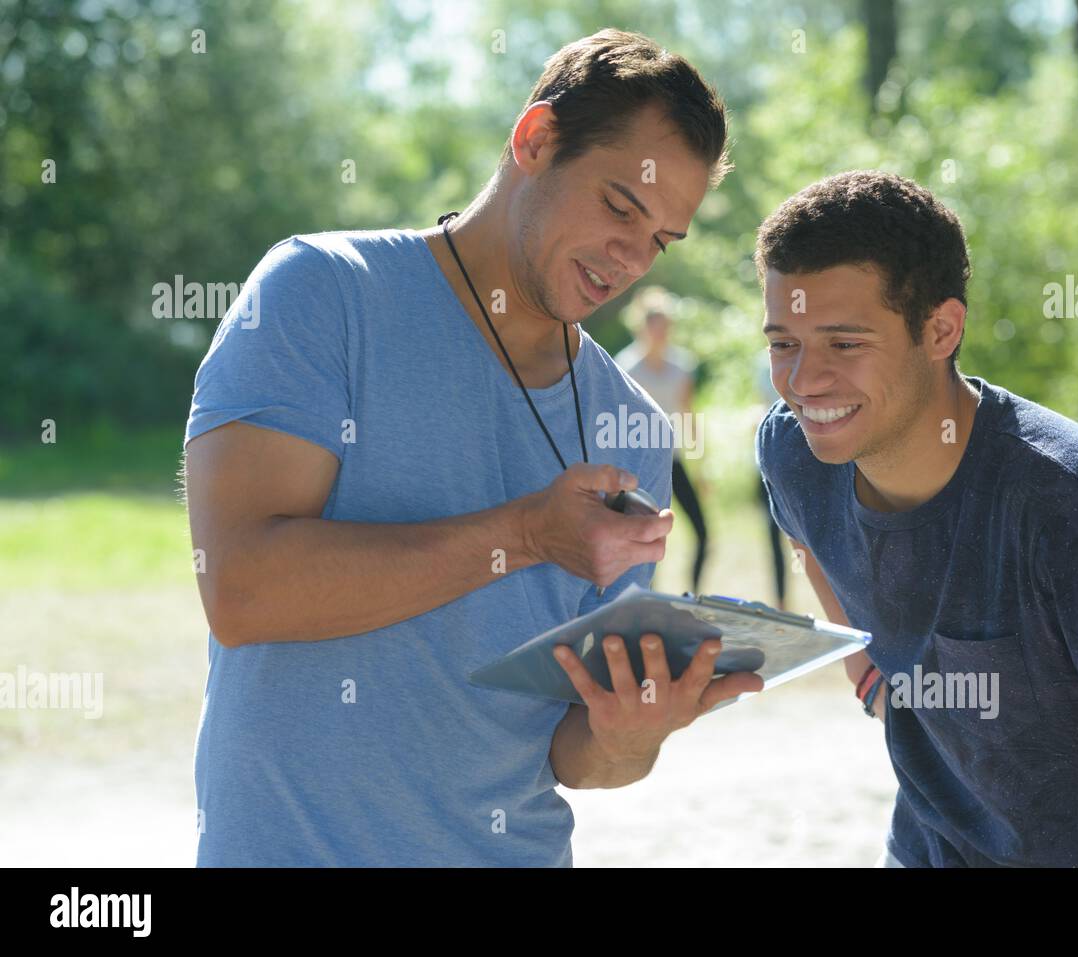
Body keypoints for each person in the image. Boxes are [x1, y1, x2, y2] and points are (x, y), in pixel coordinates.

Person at [183, 29, 761, 867]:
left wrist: (632, 733)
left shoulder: (631, 422)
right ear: (535, 140)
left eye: (662, 238)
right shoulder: (321, 293)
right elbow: (241, 589)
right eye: (620, 206)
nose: (632, 258)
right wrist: (523, 535)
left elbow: (573, 753)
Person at [754, 170, 1078, 867]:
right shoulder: (793, 452)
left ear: (940, 328)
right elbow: (808, 535)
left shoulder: (1067, 501)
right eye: (784, 343)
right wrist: (870, 670)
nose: (802, 380)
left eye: (844, 344)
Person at [614, 287, 709, 592]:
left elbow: (688, 415)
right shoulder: (625, 367)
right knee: (645, 540)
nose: (661, 331)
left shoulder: (682, 366)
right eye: (654, 324)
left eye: (665, 325)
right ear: (642, 326)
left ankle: (692, 598)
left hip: (674, 462)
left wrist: (701, 468)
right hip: (639, 469)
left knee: (704, 534)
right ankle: (646, 599)